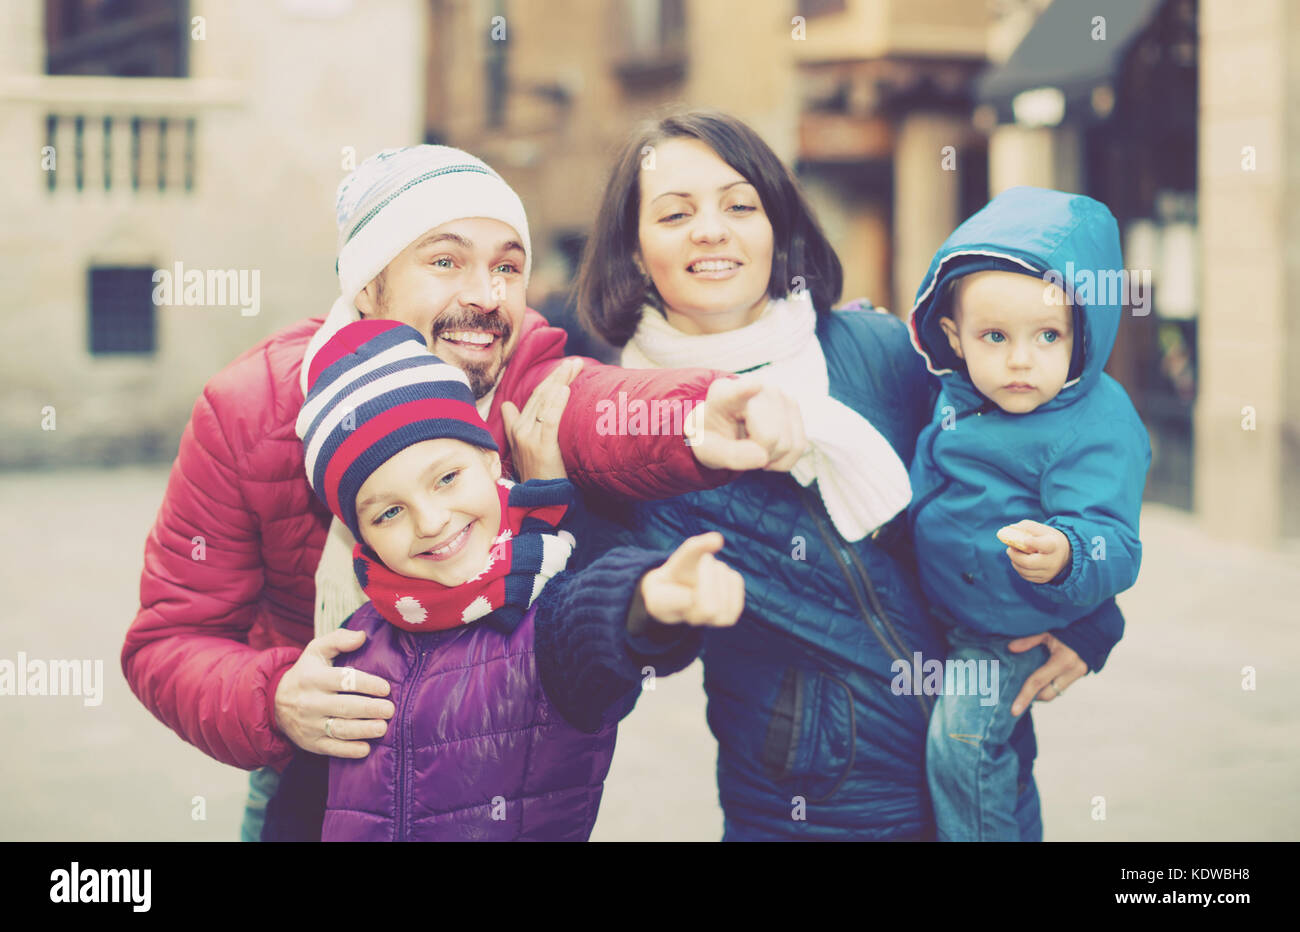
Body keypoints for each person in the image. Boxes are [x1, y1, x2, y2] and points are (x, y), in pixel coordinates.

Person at [120, 144, 805, 841]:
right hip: (317, 768)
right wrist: (276, 700)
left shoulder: (516, 369)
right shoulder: (251, 410)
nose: (487, 295)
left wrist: (695, 417)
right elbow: (169, 640)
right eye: (446, 261)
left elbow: (596, 407)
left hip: (503, 754)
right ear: (368, 283)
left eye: (507, 267)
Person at [576, 109, 1126, 840]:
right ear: (636, 253)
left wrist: (1086, 613)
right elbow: (590, 635)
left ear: (777, 227)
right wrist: (645, 609)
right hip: (811, 809)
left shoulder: (878, 349)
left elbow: (1031, 456)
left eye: (740, 205)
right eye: (675, 214)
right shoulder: (622, 427)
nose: (711, 230)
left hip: (983, 780)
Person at [261, 318, 741, 840]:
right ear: (362, 538)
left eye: (446, 479)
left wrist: (645, 600)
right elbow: (302, 810)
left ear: (491, 463)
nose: (431, 521)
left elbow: (591, 625)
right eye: (388, 513)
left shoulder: (541, 623)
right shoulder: (353, 644)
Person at [905, 186, 1151, 841]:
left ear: (1082, 334)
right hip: (950, 612)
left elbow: (1115, 541)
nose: (1020, 360)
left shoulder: (1093, 421)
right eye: (995, 336)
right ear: (954, 336)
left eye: (1048, 335)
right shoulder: (957, 391)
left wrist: (1068, 552)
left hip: (1010, 627)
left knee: (964, 741)